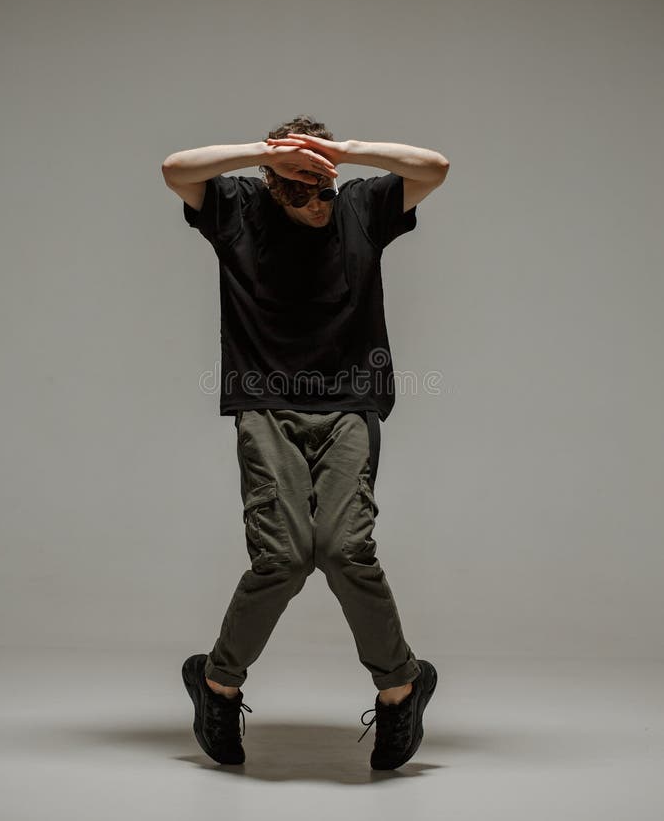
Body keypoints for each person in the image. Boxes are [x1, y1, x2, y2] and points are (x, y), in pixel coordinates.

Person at [162, 115, 449, 769]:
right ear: (269, 174)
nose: (313, 193)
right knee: (285, 556)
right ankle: (217, 680)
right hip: (265, 403)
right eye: (296, 178)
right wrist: (267, 152)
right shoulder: (235, 207)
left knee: (345, 549)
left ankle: (400, 689)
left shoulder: (363, 206)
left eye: (322, 179)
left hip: (349, 402)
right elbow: (175, 168)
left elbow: (433, 167)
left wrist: (342, 152)